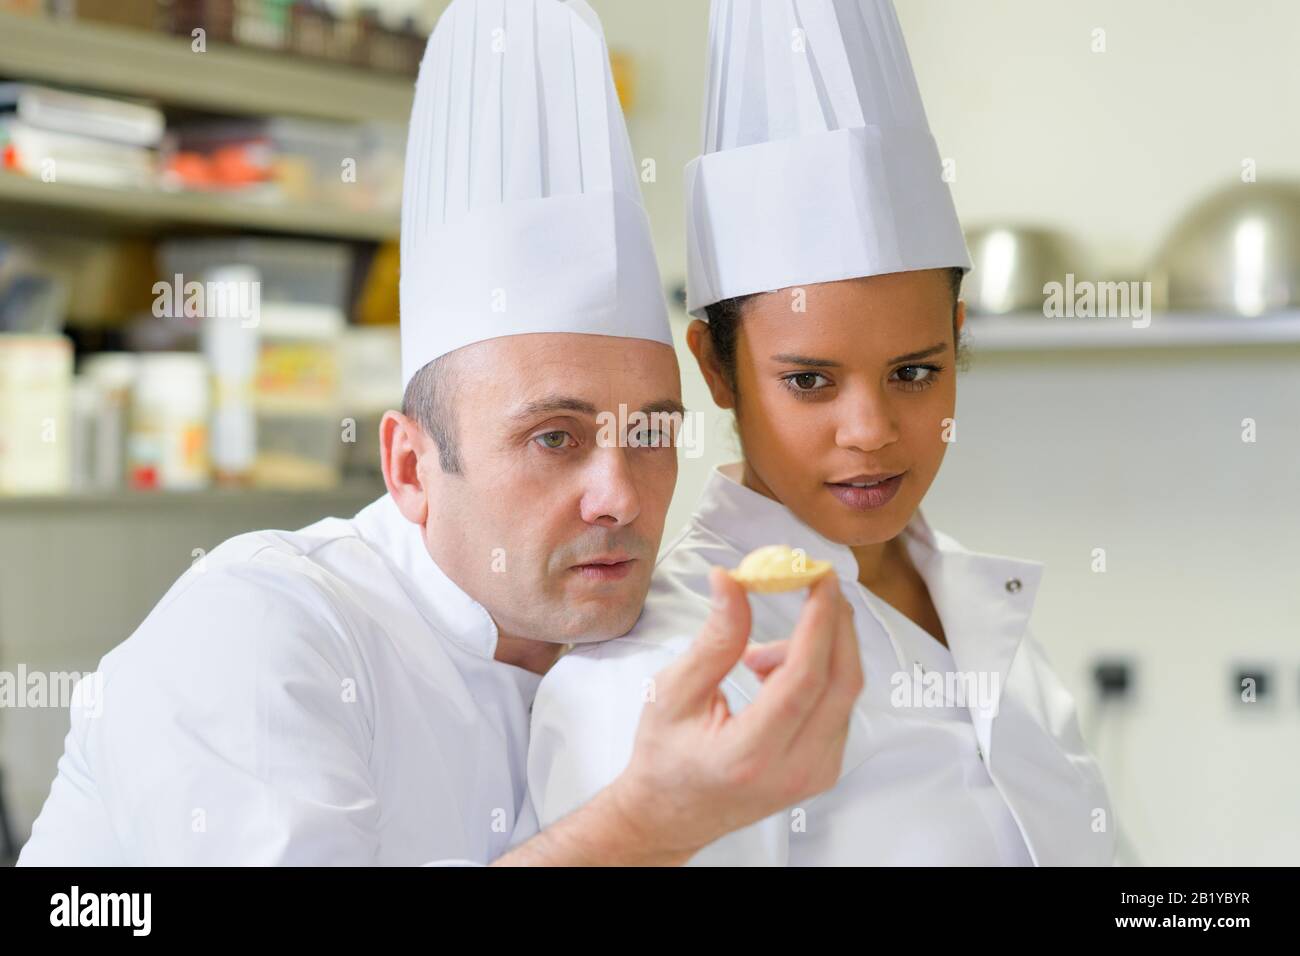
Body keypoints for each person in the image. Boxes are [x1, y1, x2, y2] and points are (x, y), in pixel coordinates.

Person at [17, 0, 861, 867]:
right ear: (410, 466)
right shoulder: (262, 627)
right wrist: (648, 825)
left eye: (648, 431)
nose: (621, 496)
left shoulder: (649, 646)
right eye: (555, 438)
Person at [527, 0, 1116, 866]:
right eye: (809, 382)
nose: (871, 432)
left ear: (958, 338)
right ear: (716, 367)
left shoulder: (983, 612)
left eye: (915, 372)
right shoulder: (656, 682)